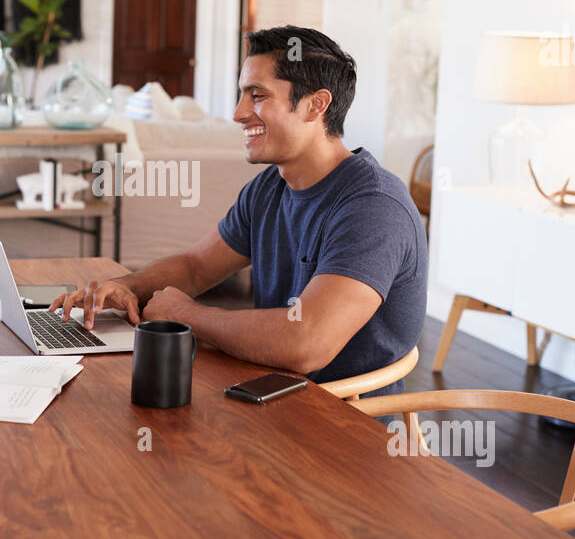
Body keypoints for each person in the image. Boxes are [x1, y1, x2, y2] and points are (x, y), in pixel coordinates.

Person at [50, 26, 427, 392]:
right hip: (270, 392)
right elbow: (195, 267)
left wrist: (187, 315)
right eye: (242, 95)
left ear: (316, 105)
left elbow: (306, 342)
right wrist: (122, 288)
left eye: (257, 96)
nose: (238, 113)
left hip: (345, 423)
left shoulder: (374, 207)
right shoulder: (269, 187)